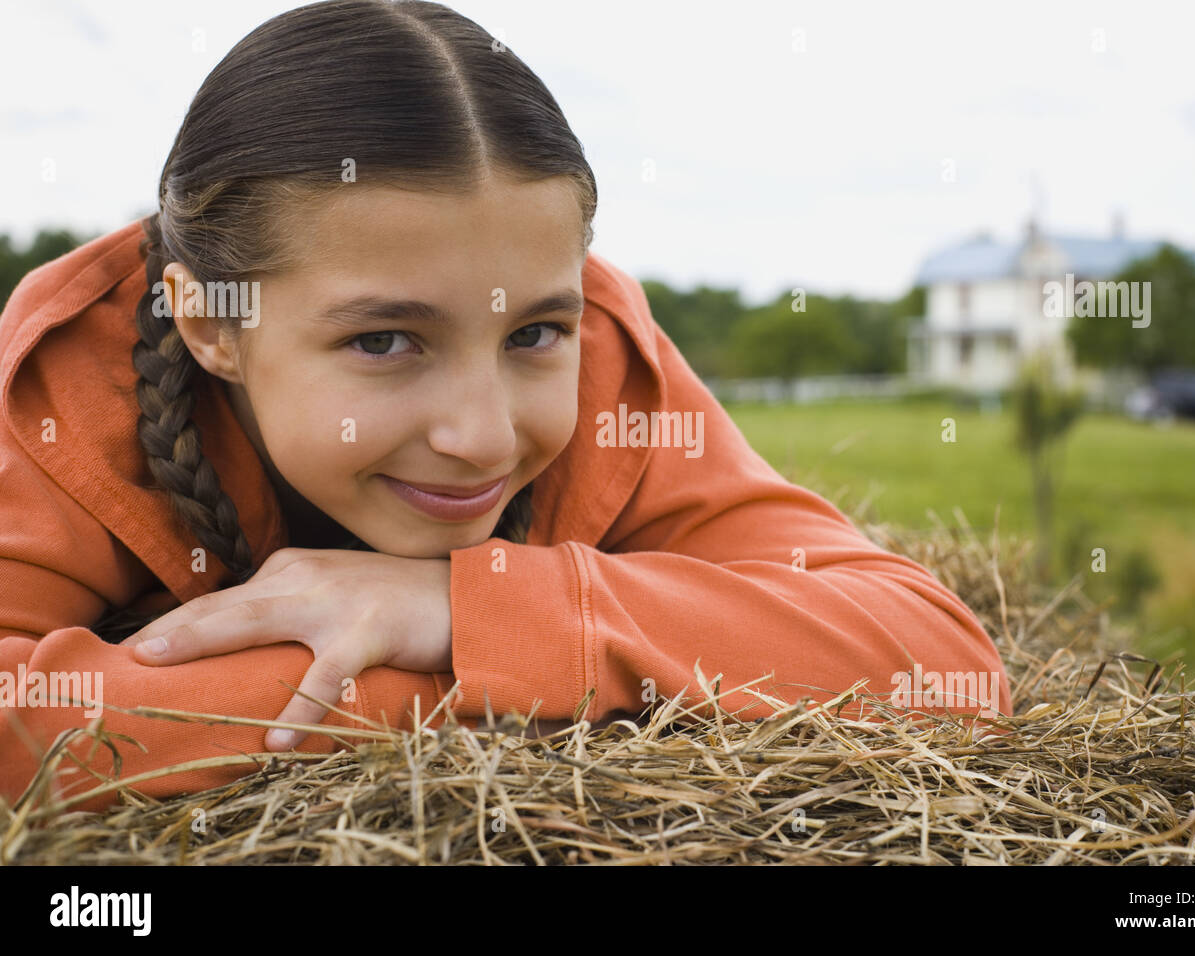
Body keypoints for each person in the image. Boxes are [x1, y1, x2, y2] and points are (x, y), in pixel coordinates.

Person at [0, 0, 1011, 814]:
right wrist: (521, 676)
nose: (481, 436)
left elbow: (939, 662)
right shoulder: (66, 389)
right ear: (213, 325)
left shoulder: (613, 361)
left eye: (533, 333)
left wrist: (456, 608)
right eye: (383, 340)